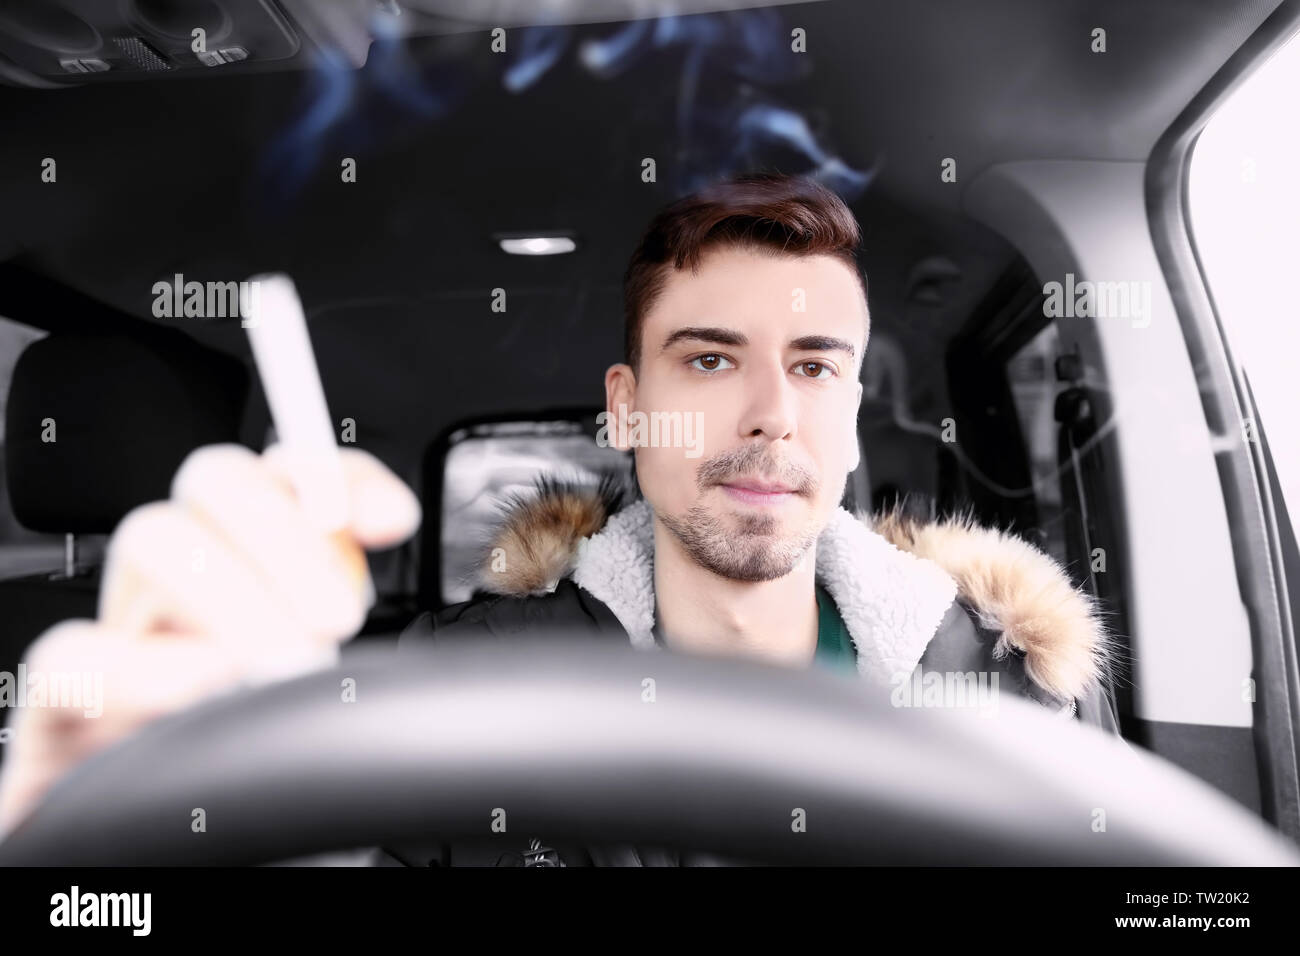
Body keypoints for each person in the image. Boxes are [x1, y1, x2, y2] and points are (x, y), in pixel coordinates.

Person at [0, 172, 1118, 864]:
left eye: (816, 366)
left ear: (852, 409)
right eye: (712, 358)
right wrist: (107, 850)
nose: (773, 416)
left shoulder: (994, 682)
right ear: (626, 411)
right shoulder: (450, 692)